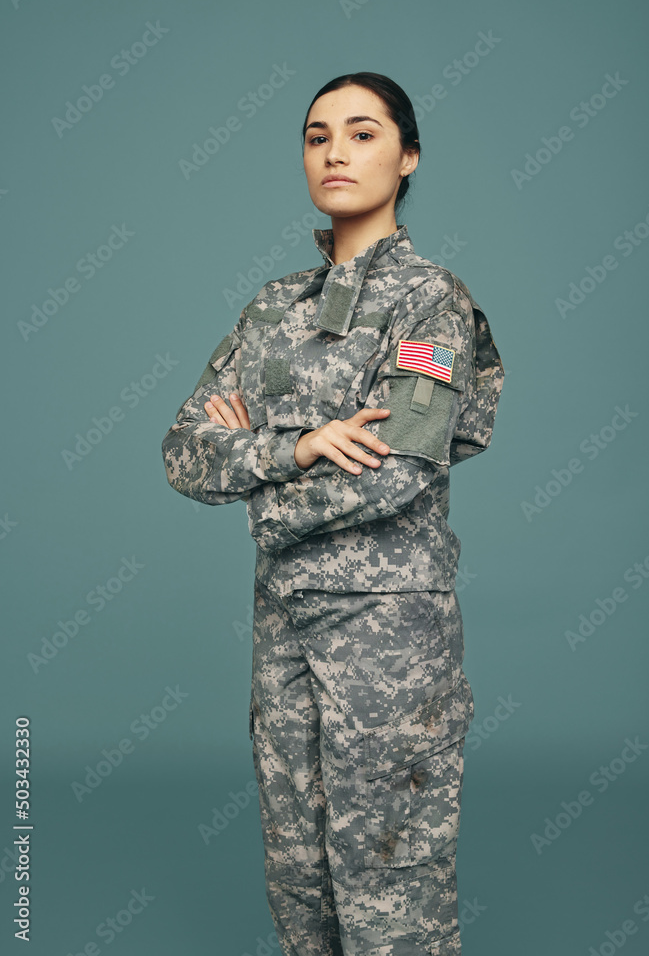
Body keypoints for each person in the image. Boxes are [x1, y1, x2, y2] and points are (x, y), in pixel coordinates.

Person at [161, 71, 504, 956]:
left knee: (389, 876)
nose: (336, 152)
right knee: (298, 871)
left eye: (362, 132)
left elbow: (393, 475)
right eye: (318, 136)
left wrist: (261, 497)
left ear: (408, 156)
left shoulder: (430, 303)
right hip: (284, 624)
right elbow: (182, 451)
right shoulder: (274, 307)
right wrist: (298, 447)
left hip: (387, 631)